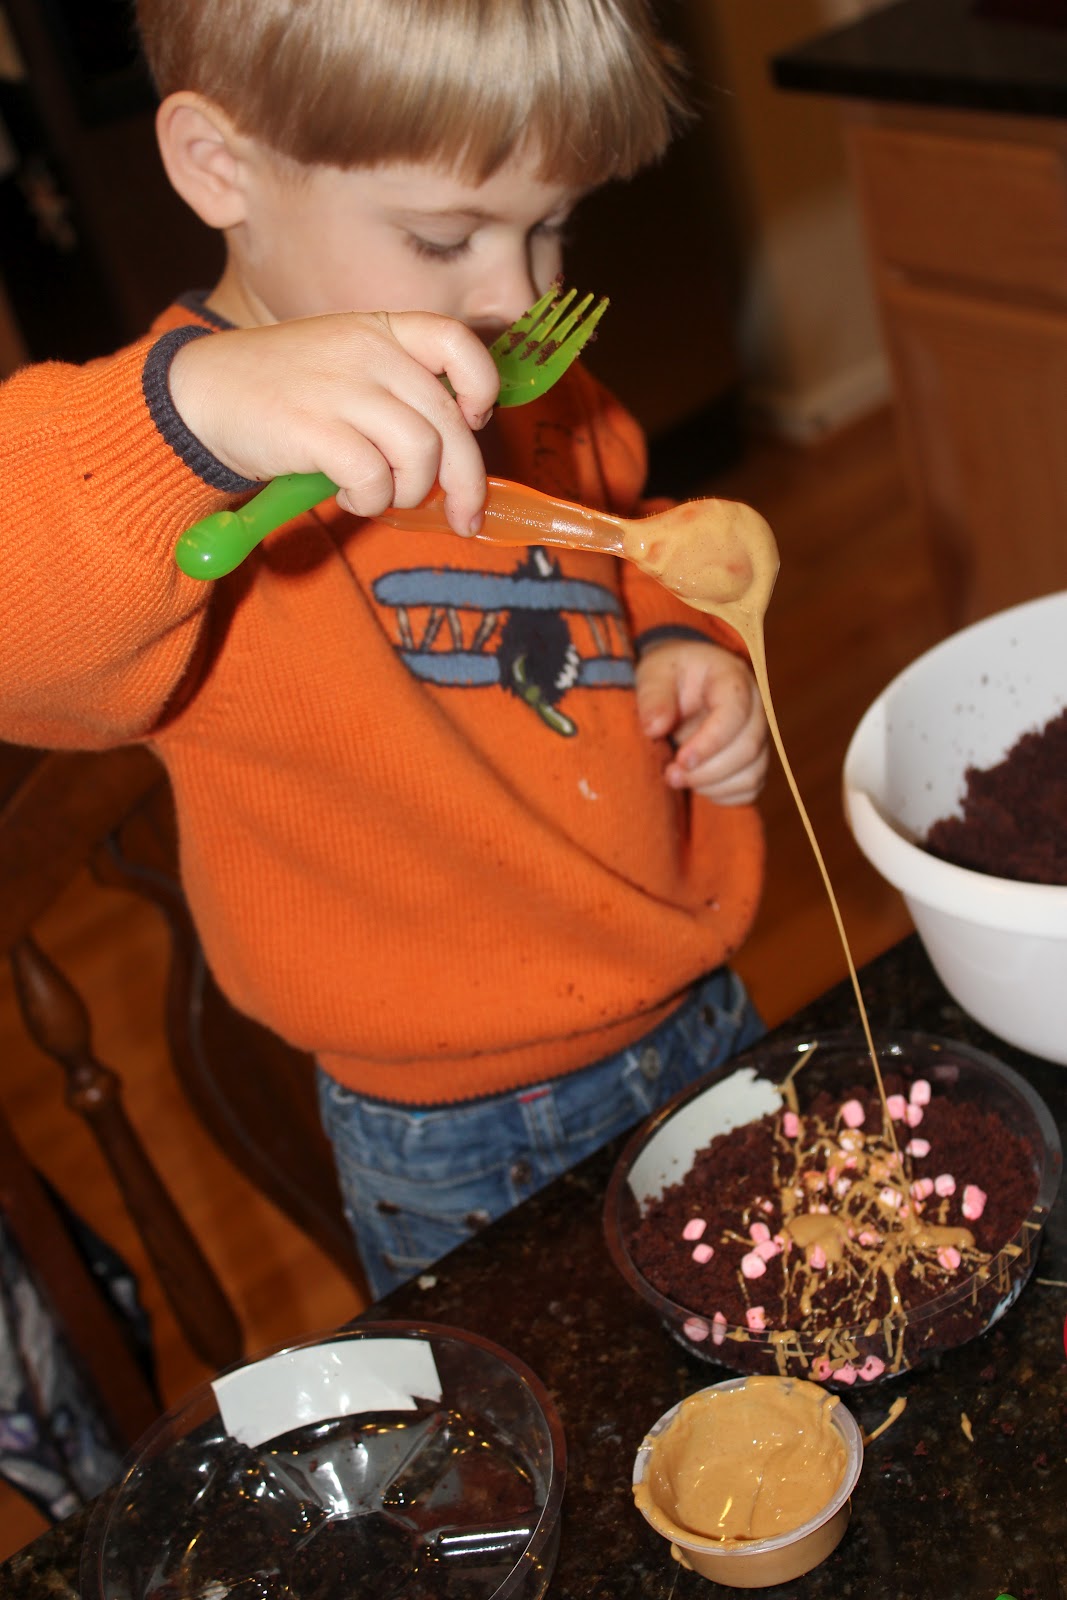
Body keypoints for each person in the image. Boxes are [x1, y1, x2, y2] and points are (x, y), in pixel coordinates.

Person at [0, 0, 769, 1299]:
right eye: (441, 236)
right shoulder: (183, 459)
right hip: (462, 1129)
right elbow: (31, 650)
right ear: (215, 167)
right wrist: (191, 419)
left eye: (547, 224)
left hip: (695, 1003)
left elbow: (624, 543)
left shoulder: (531, 385)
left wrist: (679, 642)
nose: (518, 292)